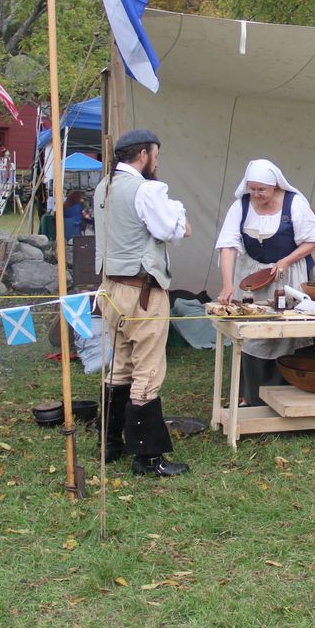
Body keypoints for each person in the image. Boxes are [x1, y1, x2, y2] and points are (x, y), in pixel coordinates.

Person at [94, 129, 192, 477]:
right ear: (144, 155)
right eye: (156, 155)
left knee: (120, 364)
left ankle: (109, 443)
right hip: (141, 292)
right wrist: (180, 216)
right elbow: (173, 231)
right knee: (148, 369)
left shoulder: (103, 186)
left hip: (110, 288)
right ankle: (147, 456)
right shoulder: (147, 189)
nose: (157, 161)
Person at [215, 159, 315, 406]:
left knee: (288, 330)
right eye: (252, 189)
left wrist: (287, 261)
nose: (256, 195)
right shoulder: (241, 206)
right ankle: (252, 393)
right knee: (254, 331)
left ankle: (295, 390)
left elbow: (313, 240)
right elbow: (227, 245)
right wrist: (227, 283)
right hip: (251, 275)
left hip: (288, 275)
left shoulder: (293, 203)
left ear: (274, 185)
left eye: (261, 190)